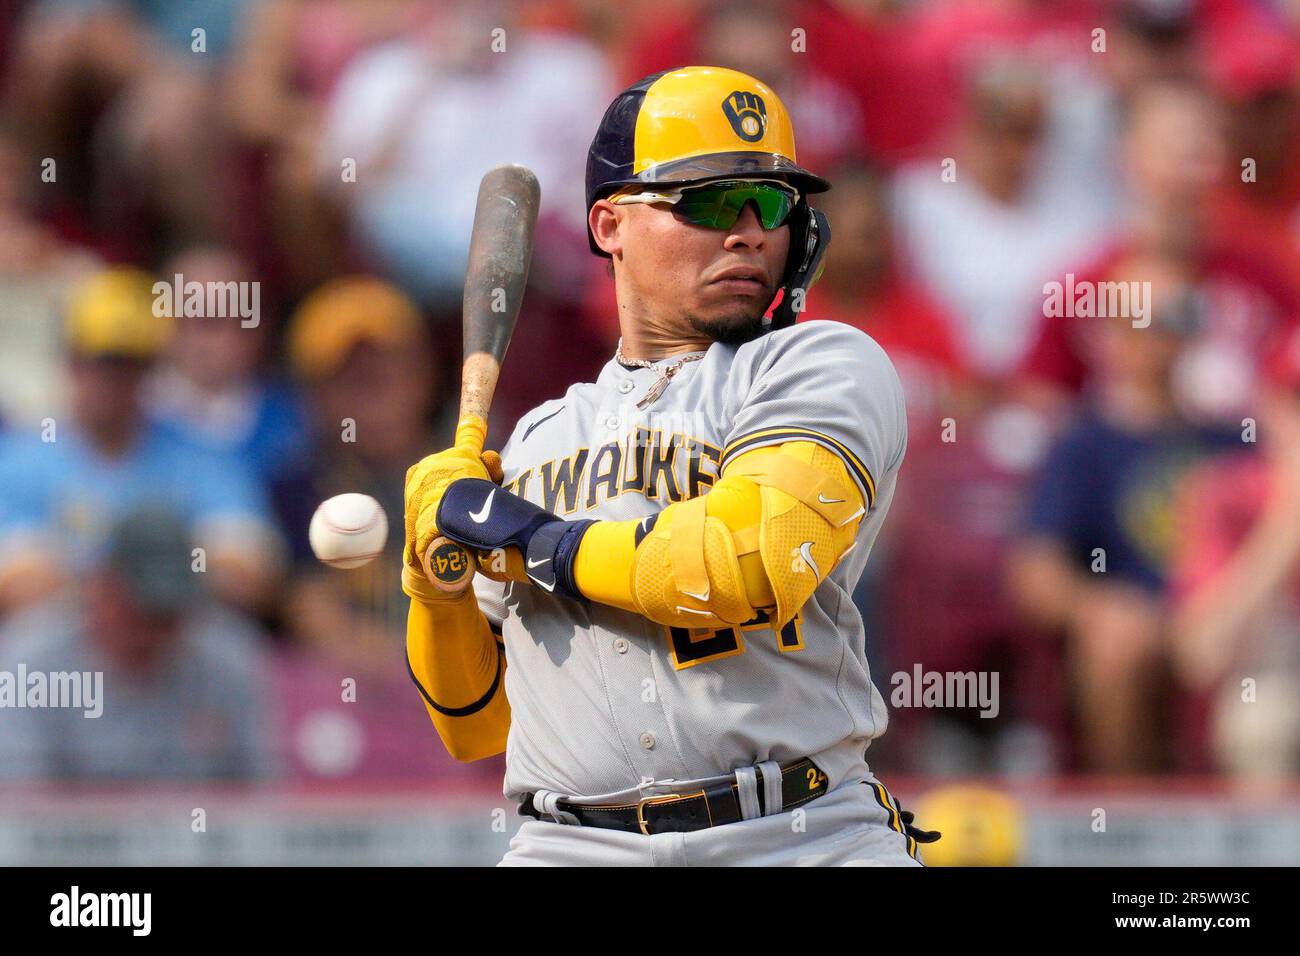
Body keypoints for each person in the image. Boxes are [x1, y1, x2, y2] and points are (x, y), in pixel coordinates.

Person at [401, 66, 937, 866]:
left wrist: (524, 536)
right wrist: (433, 579)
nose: (750, 231)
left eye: (774, 205)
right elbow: (473, 722)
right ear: (610, 225)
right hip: (569, 844)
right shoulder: (539, 436)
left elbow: (743, 563)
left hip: (799, 835)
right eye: (711, 201)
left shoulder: (822, 365)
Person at [0, 267, 281, 615]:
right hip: (63, 649)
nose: (111, 380)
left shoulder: (200, 456)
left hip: (172, 636)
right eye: (98, 360)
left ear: (151, 369)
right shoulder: (20, 459)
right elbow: (16, 586)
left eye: (128, 363)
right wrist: (154, 576)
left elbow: (250, 576)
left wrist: (94, 575)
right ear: (70, 362)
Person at [0, 506, 275, 782]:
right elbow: (23, 801)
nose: (156, 627)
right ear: (102, 587)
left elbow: (262, 793)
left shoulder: (229, 658)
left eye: (170, 611)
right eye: (143, 607)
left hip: (198, 825)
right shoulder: (32, 661)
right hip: (65, 826)